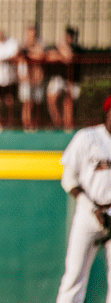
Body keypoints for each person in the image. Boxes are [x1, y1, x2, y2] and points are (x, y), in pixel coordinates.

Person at [56, 95, 111, 303]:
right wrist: (93, 209)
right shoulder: (87, 137)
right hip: (88, 213)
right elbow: (68, 179)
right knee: (74, 275)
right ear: (107, 114)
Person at [47, 27, 83, 131]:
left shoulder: (77, 48)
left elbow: (68, 58)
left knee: (68, 102)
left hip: (73, 80)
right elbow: (49, 56)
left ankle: (68, 126)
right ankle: (58, 123)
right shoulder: (59, 47)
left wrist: (60, 52)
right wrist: (61, 55)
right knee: (51, 98)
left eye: (68, 36)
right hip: (60, 78)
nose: (66, 38)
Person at [17, 25, 45, 132]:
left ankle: (35, 124)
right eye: (29, 34)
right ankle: (26, 124)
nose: (31, 36)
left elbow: (40, 56)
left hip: (37, 77)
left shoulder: (39, 44)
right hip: (25, 77)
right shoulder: (22, 45)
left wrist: (30, 53)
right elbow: (20, 57)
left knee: (37, 102)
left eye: (33, 34)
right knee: (27, 102)